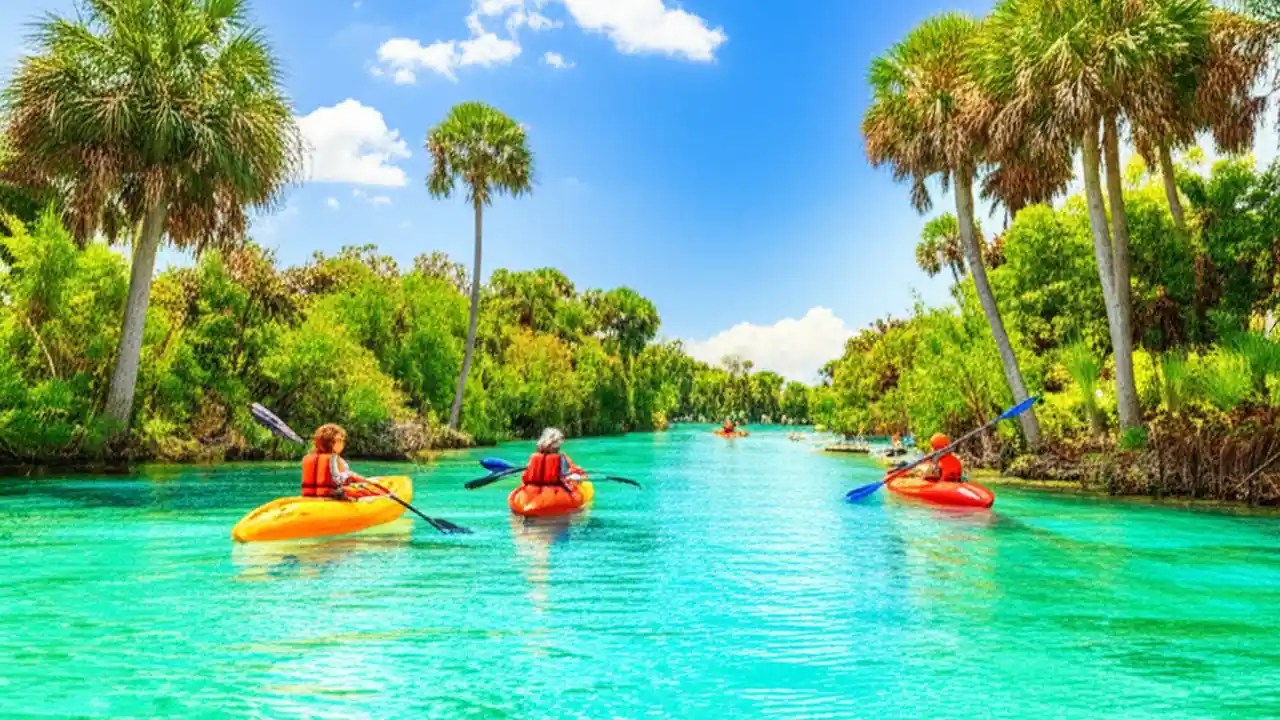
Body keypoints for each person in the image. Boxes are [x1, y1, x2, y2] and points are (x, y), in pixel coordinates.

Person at [301, 423, 373, 499]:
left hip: (310, 497)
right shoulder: (334, 458)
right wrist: (351, 476)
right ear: (329, 442)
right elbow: (338, 480)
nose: (343, 444)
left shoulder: (308, 458)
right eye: (340, 440)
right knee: (369, 490)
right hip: (333, 496)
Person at [522, 428, 586, 492]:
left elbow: (527, 475)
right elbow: (564, 476)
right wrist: (577, 477)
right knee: (578, 478)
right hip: (554, 492)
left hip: (531, 491)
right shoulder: (560, 457)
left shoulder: (534, 457)